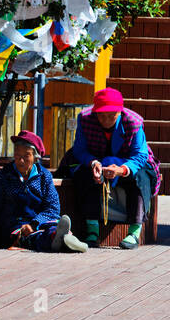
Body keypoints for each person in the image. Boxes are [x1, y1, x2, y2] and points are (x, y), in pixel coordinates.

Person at [67, 87, 160, 249]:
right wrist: (93, 163)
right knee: (83, 175)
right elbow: (80, 149)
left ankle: (134, 232)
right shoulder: (85, 119)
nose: (106, 120)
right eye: (101, 115)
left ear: (120, 112)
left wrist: (122, 170)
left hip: (130, 163)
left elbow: (140, 155)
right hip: (98, 161)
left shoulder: (133, 122)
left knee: (141, 177)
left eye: (112, 116)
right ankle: (92, 229)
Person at [0, 130, 87, 252]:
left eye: (26, 156)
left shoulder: (44, 176)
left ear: (35, 158)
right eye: (17, 155)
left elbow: (53, 208)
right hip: (14, 227)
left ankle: (61, 237)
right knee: (30, 238)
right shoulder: (5, 176)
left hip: (39, 223)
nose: (20, 160)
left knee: (51, 227)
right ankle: (62, 241)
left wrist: (34, 224)